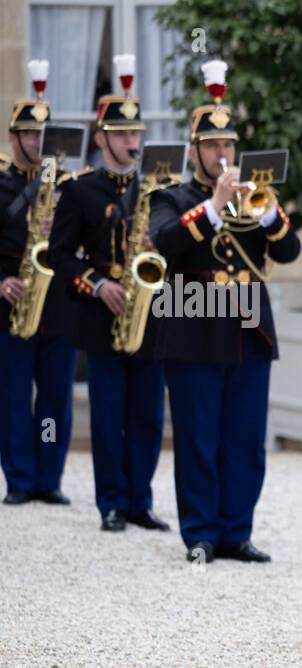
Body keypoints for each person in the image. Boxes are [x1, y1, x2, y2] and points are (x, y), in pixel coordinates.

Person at [148, 59, 301, 564]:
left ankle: (237, 531)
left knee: (245, 441)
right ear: (195, 151)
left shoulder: (253, 197)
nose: (223, 154)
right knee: (198, 438)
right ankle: (201, 534)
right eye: (213, 146)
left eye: (229, 145)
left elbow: (289, 252)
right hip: (193, 329)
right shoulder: (170, 196)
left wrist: (271, 215)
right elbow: (168, 244)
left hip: (249, 331)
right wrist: (213, 207)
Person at [48, 54, 169, 533]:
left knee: (147, 416)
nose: (131, 142)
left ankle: (140, 501)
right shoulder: (80, 191)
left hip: (149, 317)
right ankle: (112, 504)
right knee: (107, 416)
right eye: (121, 135)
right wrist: (96, 285)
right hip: (102, 317)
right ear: (100, 139)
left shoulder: (156, 190)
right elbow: (59, 256)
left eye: (136, 134)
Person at [0, 59, 80, 508]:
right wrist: (1, 283)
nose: (37, 141)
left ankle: (49, 478)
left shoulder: (68, 185)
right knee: (13, 397)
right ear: (14, 138)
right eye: (29, 134)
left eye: (42, 134)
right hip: (11, 299)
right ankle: (19, 478)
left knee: (54, 397)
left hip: (58, 304)